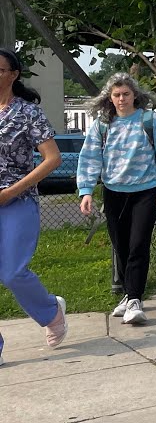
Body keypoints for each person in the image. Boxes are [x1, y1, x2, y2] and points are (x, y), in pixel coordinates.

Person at [77, 74, 156, 325]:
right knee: (121, 245)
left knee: (138, 244)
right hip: (113, 192)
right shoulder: (102, 124)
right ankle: (126, 293)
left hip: (147, 191)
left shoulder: (149, 120)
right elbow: (90, 157)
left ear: (135, 95)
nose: (121, 99)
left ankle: (135, 298)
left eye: (125, 94)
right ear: (109, 98)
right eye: (116, 95)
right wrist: (86, 190)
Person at [0, 49, 68, 362]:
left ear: (13, 74)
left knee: (13, 272)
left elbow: (53, 158)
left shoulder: (28, 114)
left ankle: (51, 312)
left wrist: (12, 191)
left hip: (17, 199)